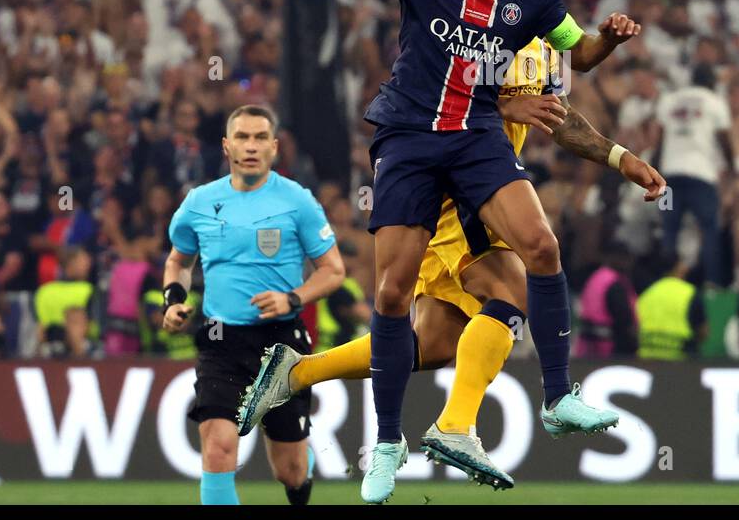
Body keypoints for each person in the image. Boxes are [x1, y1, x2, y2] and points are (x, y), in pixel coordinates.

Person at [245, 0, 641, 502]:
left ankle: (557, 396)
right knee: (398, 299)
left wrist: (612, 38)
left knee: (540, 251)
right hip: (409, 137)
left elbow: (582, 55)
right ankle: (390, 443)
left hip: (477, 141)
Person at [237, 35, 665, 490]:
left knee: (436, 342)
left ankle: (298, 371)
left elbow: (557, 116)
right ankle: (457, 424)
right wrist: (503, 110)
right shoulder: (468, 24)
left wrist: (621, 158)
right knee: (514, 290)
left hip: (481, 189)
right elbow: (433, 101)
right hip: (456, 183)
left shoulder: (536, 37)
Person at [161, 104, 346, 506]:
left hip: (282, 345)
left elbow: (333, 271)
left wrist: (291, 298)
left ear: (274, 147)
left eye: (260, 137)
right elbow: (178, 260)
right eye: (242, 137)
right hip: (220, 339)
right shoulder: (199, 202)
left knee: (290, 470)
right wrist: (174, 299)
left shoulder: (297, 201)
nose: (251, 146)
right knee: (218, 447)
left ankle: (301, 471)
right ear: (227, 146)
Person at [655, 63, 734, 286]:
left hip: (670, 174)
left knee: (670, 230)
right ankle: (711, 283)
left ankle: (667, 281)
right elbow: (725, 140)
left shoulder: (671, 100)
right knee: (709, 230)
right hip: (701, 174)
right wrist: (732, 165)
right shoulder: (715, 102)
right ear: (712, 82)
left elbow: (659, 140)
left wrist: (655, 172)